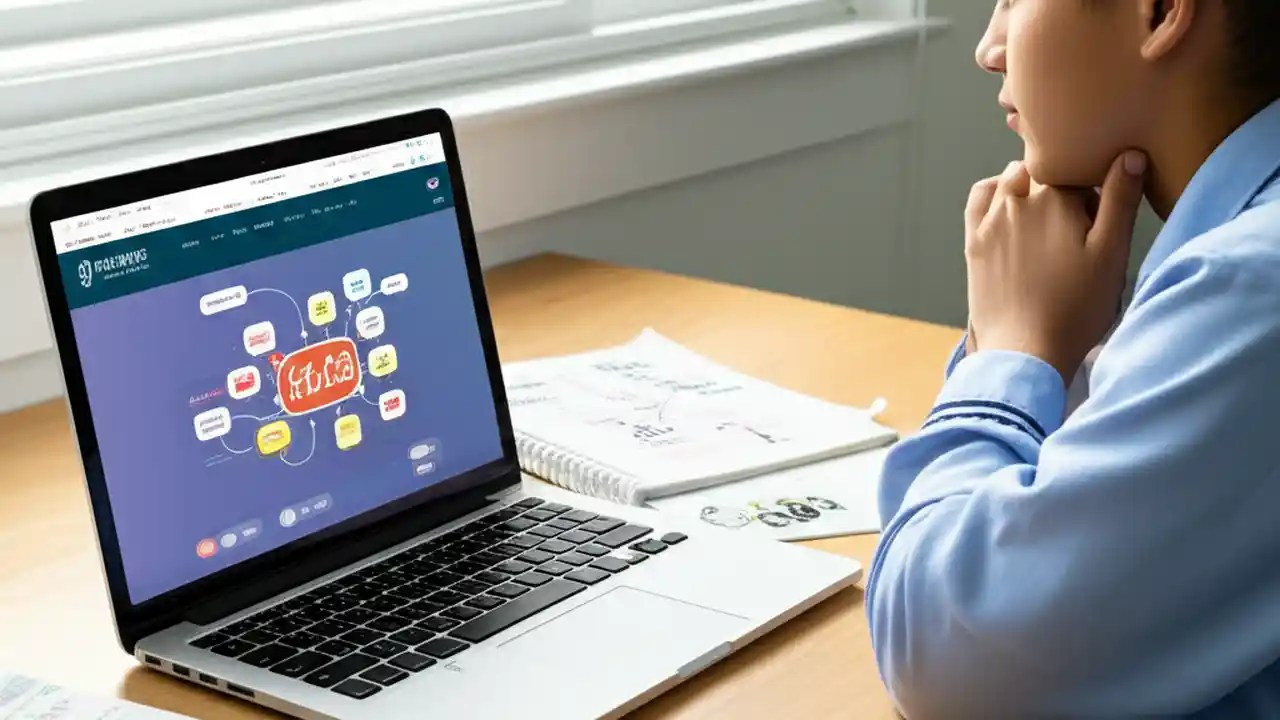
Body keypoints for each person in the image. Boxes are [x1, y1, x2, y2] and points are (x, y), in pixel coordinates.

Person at [866, 0, 1280, 716]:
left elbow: (944, 658)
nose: (990, 47)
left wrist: (1010, 352)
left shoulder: (1251, 288)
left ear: (1161, 11)